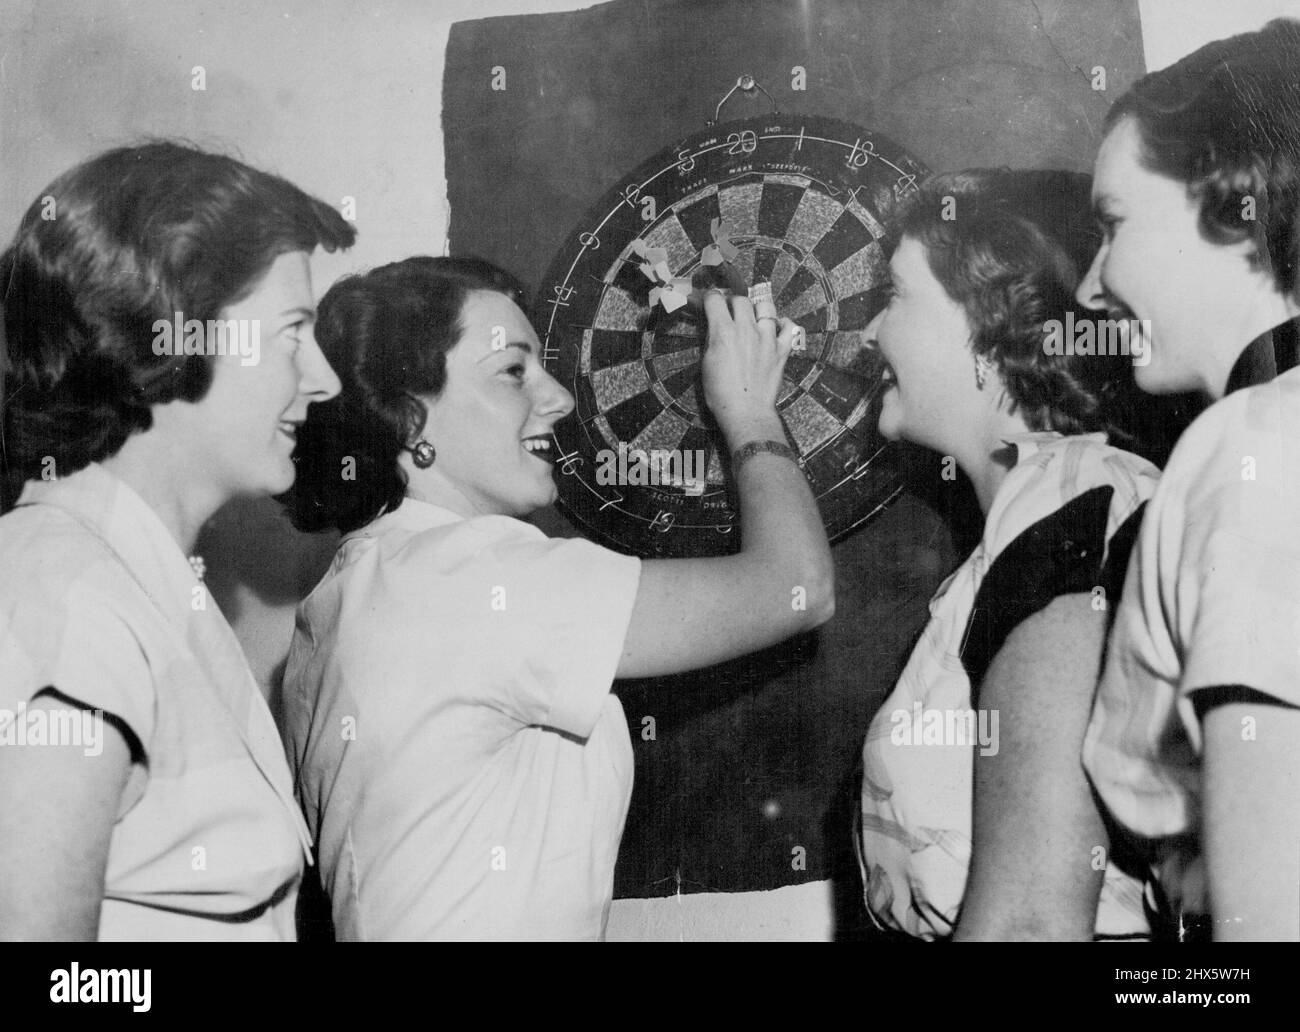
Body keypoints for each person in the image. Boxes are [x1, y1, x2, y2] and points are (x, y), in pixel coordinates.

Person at [280, 256, 833, 940]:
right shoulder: (474, 577)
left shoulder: (348, 590)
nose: (560, 399)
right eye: (513, 371)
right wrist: (748, 409)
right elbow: (796, 589)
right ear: (410, 418)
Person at [0, 141, 355, 940]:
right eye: (294, 331)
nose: (324, 379)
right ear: (175, 330)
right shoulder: (71, 600)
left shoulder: (148, 591)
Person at [857, 169, 1159, 940]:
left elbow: (1030, 924)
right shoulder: (1031, 525)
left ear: (989, 331)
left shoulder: (1070, 498)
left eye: (894, 297)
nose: (869, 336)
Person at [1078, 18, 1300, 941]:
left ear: (1231, 196)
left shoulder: (1253, 443)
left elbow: (1267, 922)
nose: (1090, 288)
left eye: (1113, 225)